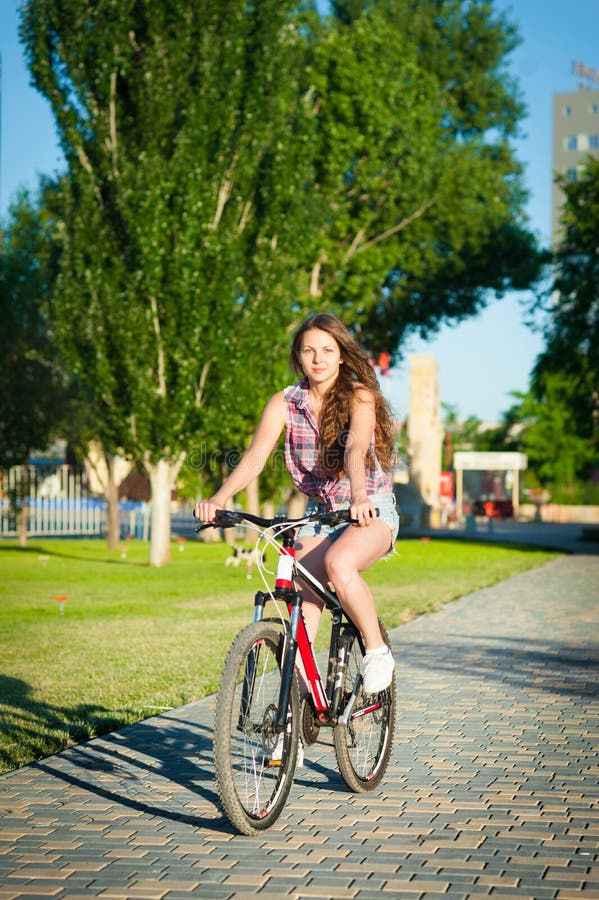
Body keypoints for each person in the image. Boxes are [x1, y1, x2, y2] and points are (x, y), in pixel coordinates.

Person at [194, 313, 399, 693]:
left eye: (326, 350)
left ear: (341, 356)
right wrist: (219, 499)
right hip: (319, 516)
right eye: (309, 351)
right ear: (298, 357)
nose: (318, 359)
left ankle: (376, 650)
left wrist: (357, 496)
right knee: (297, 590)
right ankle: (303, 700)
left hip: (368, 507)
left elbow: (355, 449)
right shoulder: (285, 402)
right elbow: (255, 458)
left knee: (340, 564)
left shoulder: (360, 396)